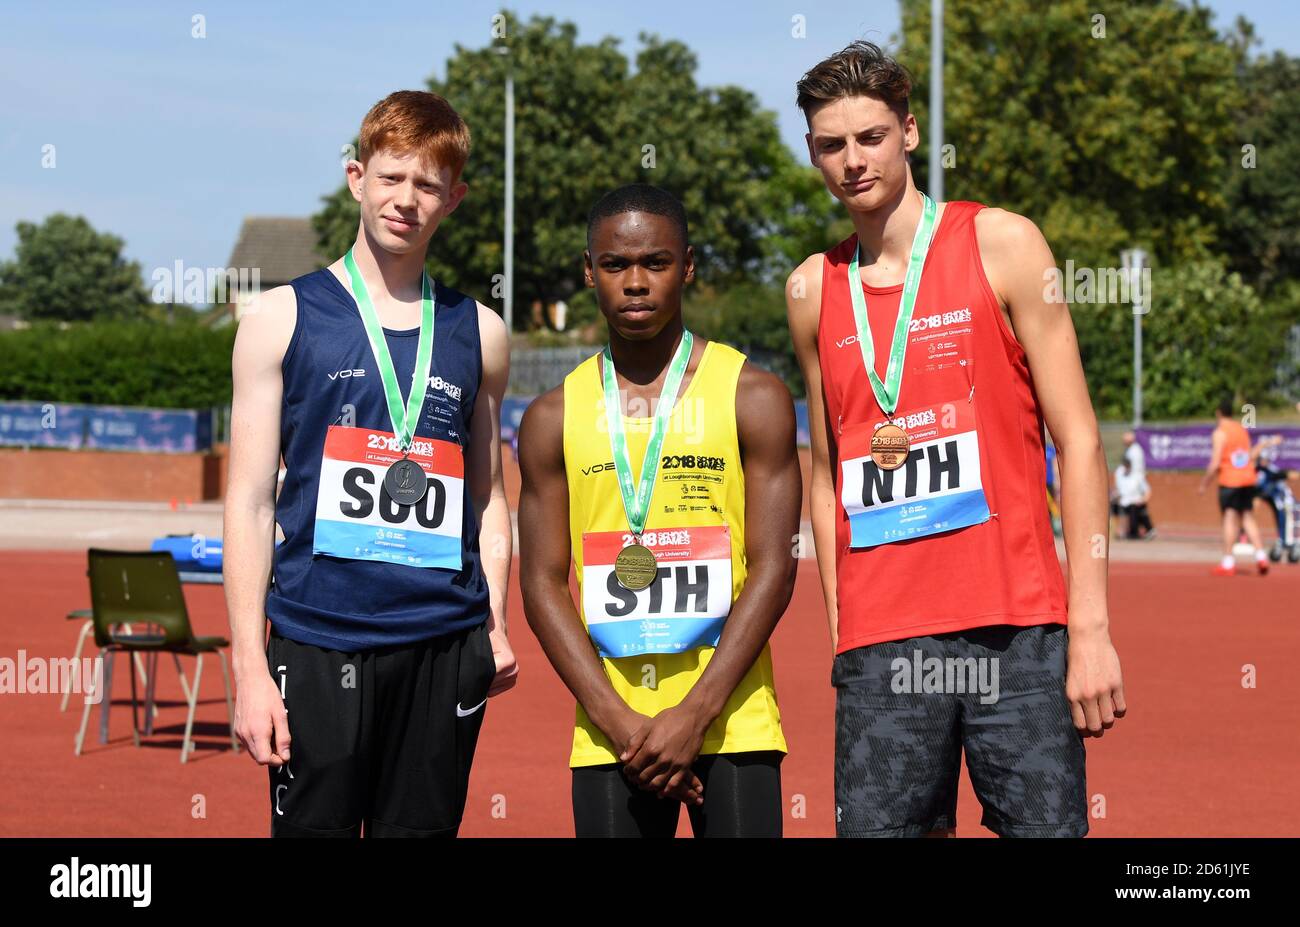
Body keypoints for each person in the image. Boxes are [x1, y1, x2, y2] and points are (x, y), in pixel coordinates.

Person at [785, 41, 1125, 838]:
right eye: (832, 145)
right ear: (813, 154)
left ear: (908, 131)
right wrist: (845, 631)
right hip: (884, 648)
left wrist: (1092, 627)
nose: (853, 161)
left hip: (1019, 632)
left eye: (870, 137)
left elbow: (1079, 441)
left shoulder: (1003, 243)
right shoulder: (810, 288)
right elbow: (830, 473)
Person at [224, 90, 518, 837]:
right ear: (357, 178)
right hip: (317, 638)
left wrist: (497, 624)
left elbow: (487, 500)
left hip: (440, 644)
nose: (405, 200)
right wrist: (249, 669)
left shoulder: (479, 331)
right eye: (391, 177)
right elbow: (250, 504)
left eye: (427, 184)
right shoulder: (281, 318)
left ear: (454, 198)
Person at [517, 184, 800, 837]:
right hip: (611, 728)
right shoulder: (552, 417)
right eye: (615, 265)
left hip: (733, 718)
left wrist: (695, 713)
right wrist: (621, 722)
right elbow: (540, 582)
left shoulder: (752, 396)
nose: (636, 282)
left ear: (689, 265)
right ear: (589, 271)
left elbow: (774, 568)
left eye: (656, 262)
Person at [1198, 399, 1268, 576]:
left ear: (1218, 413)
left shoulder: (1220, 432)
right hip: (1247, 478)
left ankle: (1228, 561)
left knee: (1229, 518)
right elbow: (1248, 455)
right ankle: (1261, 556)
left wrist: (1204, 483)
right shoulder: (1241, 429)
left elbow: (1215, 462)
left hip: (1230, 480)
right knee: (1247, 517)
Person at [1254, 435, 1297, 563]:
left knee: (1287, 516)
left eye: (1266, 459)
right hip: (1269, 496)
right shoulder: (1258, 471)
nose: (1263, 461)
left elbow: (1284, 475)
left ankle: (1288, 542)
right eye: (1262, 459)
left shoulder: (1271, 471)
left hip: (1283, 499)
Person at [1113, 460, 1153, 540]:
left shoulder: (1137, 476)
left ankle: (1134, 532)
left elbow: (1148, 490)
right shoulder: (1121, 476)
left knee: (1133, 508)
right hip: (1123, 503)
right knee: (1113, 506)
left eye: (1127, 466)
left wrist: (1143, 500)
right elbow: (1118, 491)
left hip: (1135, 502)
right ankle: (1118, 531)